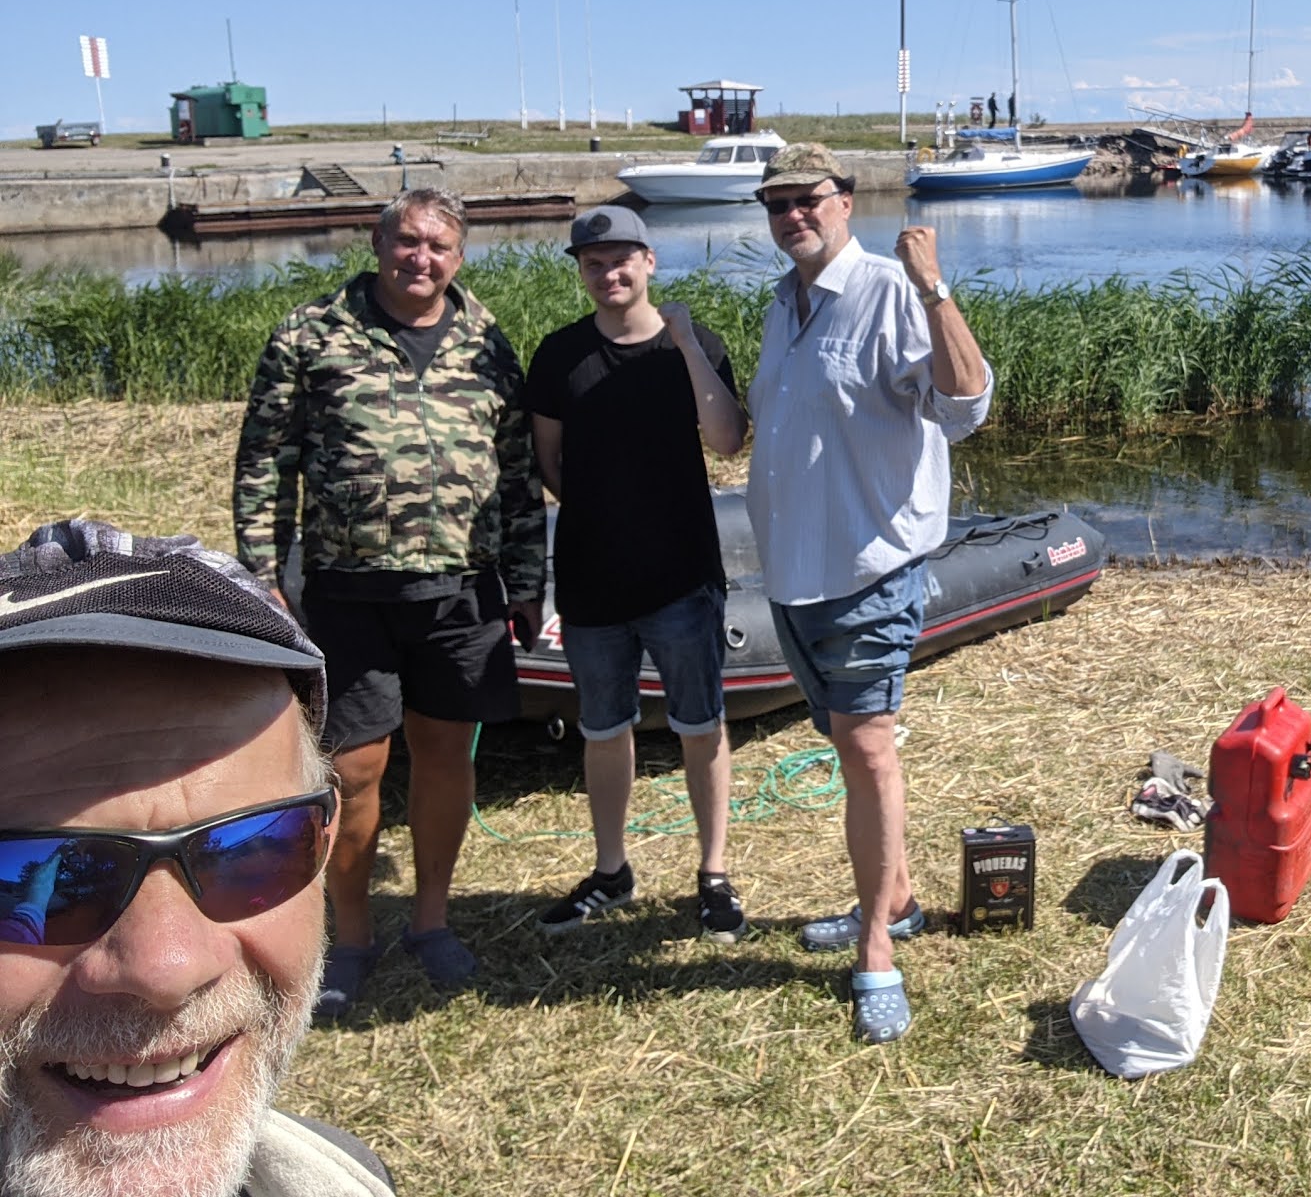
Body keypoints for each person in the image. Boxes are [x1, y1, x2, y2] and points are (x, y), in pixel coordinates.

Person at [0, 519, 396, 1196]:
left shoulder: (346, 1174)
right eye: (42, 876)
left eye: (256, 849)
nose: (167, 969)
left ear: (326, 842)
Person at [234, 187, 546, 1018]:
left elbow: (517, 473)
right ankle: (352, 936)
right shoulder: (310, 335)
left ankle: (431, 920)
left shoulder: (488, 343)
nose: (421, 258)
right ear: (378, 245)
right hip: (347, 587)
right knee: (354, 768)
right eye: (408, 241)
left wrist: (527, 580)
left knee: (446, 755)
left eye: (439, 246)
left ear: (459, 257)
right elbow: (265, 460)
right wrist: (262, 573)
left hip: (461, 589)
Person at [745, 143, 992, 1043]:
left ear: (844, 200)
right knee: (851, 749)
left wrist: (934, 288)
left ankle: (877, 950)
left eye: (806, 198)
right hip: (794, 573)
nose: (791, 215)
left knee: (869, 749)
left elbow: (966, 404)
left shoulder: (890, 290)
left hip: (871, 568)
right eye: (776, 203)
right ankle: (897, 899)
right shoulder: (782, 304)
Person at [524, 205, 751, 940]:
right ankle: (611, 870)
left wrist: (684, 345)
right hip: (592, 577)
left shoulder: (696, 343)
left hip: (683, 576)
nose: (608, 274)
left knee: (700, 724)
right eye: (593, 264)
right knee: (603, 728)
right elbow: (549, 462)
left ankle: (713, 873)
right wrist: (608, 512)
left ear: (649, 261)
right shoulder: (560, 354)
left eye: (621, 260)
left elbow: (727, 441)